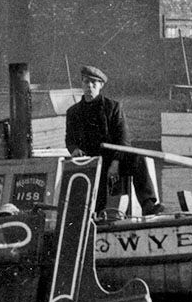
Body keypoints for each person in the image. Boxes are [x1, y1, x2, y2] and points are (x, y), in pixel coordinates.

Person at [65, 65, 161, 216]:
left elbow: (124, 140)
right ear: (82, 84)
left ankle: (148, 204)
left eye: (93, 83)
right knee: (99, 206)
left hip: (113, 159)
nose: (89, 86)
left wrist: (115, 163)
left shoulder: (113, 107)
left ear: (101, 86)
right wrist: (74, 149)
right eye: (86, 82)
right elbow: (69, 140)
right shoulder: (73, 112)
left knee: (137, 157)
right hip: (89, 162)